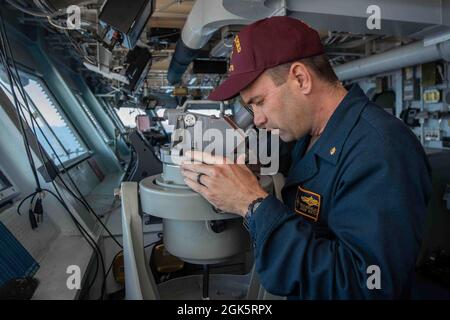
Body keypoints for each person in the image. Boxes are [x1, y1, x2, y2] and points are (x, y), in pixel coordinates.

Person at [180, 16, 432, 299]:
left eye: (259, 102)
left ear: (300, 78)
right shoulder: (304, 137)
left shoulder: (381, 150)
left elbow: (366, 287)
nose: (259, 120)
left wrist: (251, 203)